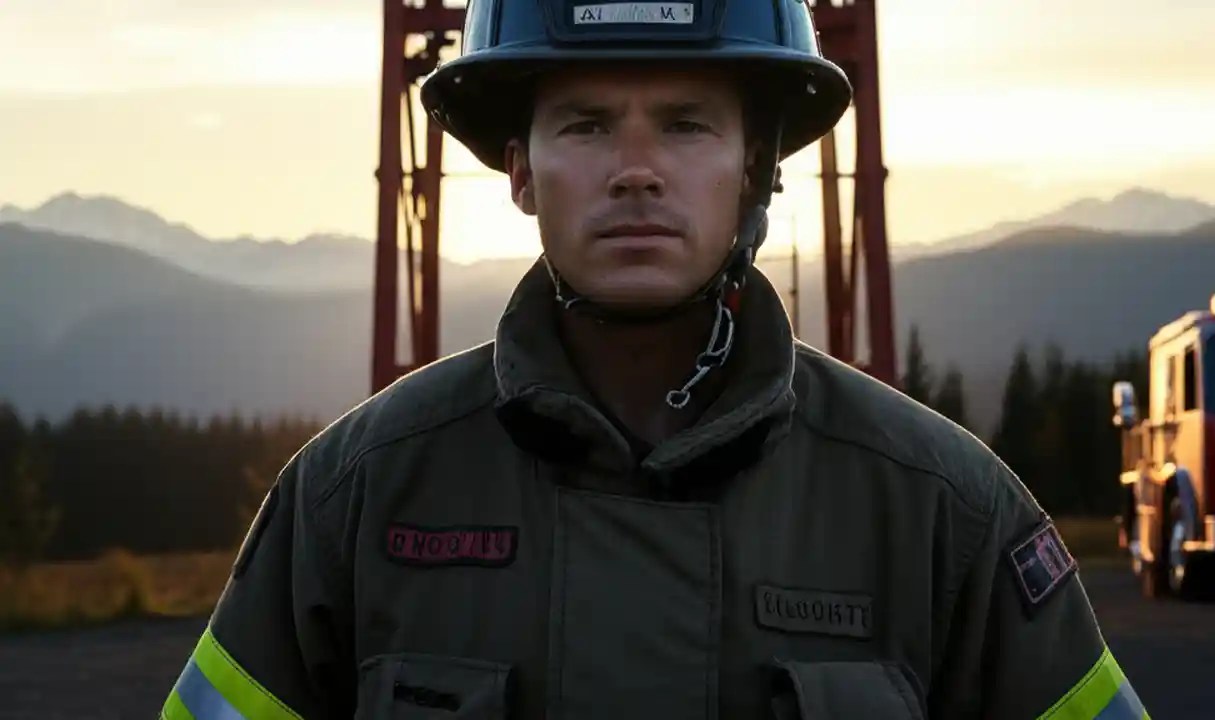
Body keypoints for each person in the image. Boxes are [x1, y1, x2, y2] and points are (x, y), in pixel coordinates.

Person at [161, 0, 1148, 718]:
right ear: (518, 168)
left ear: (756, 166)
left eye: (684, 123)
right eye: (586, 124)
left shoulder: (944, 510)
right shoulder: (352, 496)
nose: (634, 168)